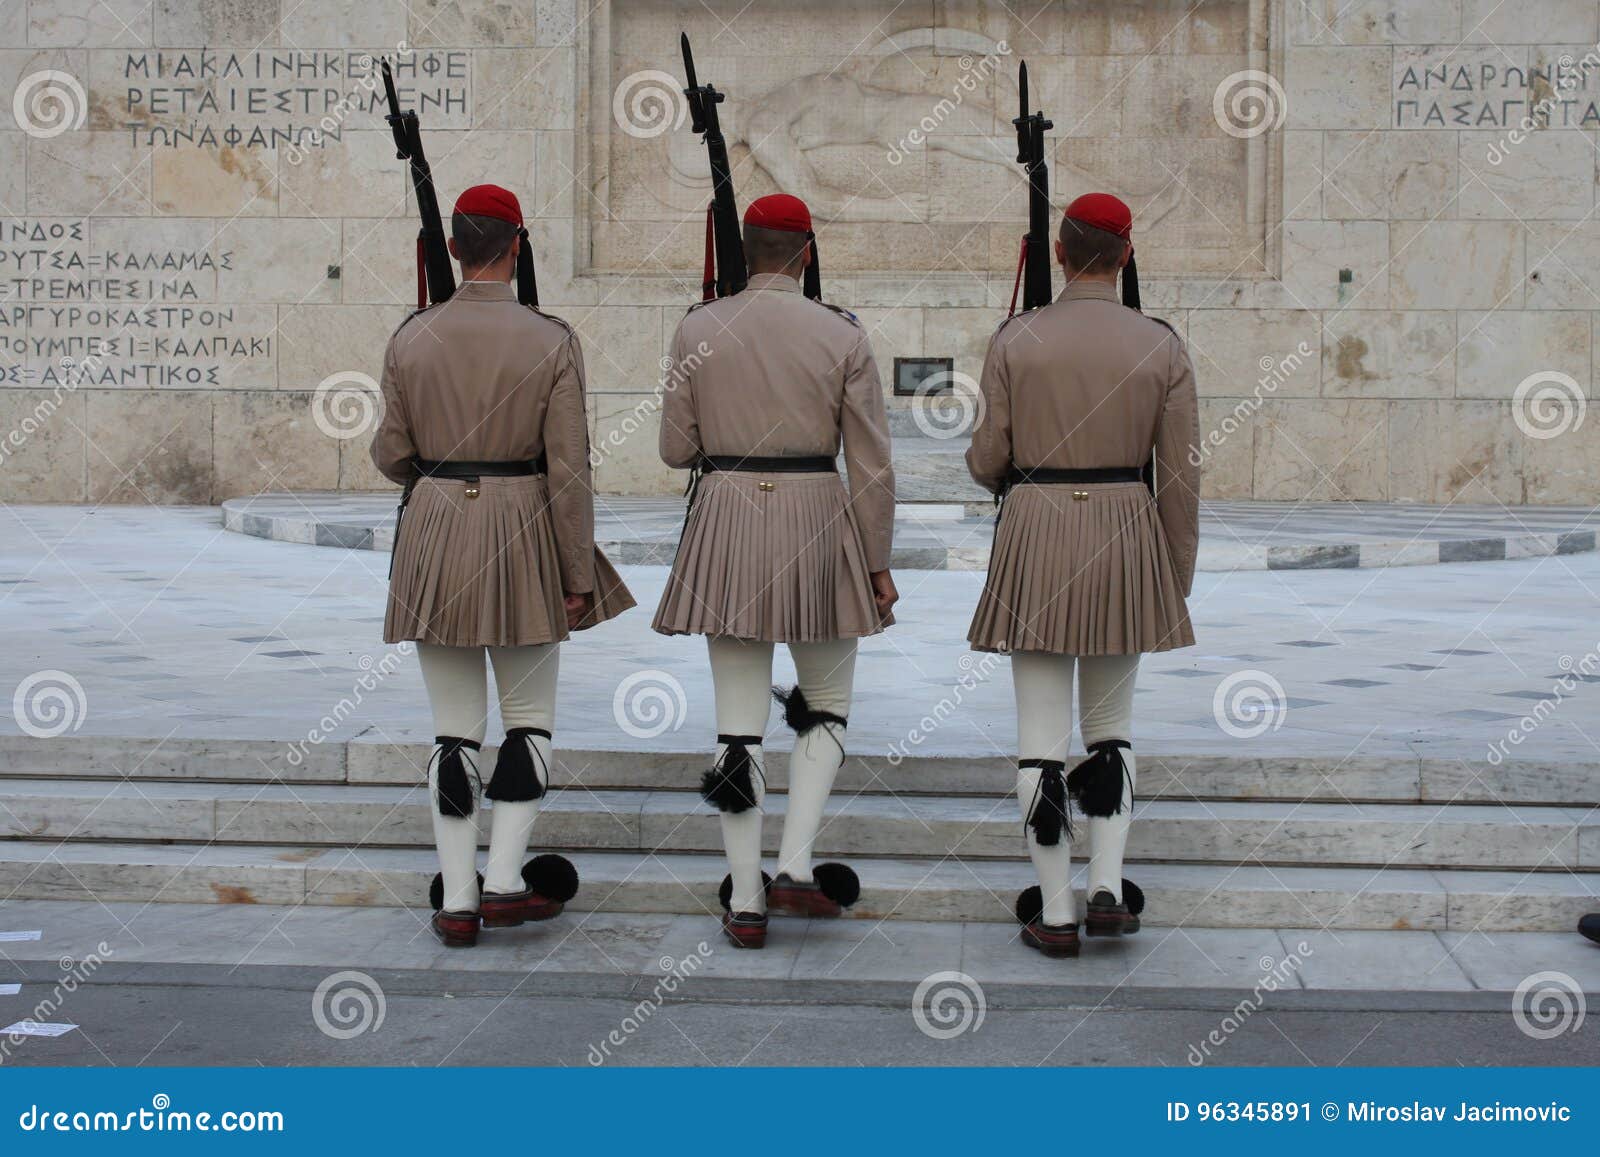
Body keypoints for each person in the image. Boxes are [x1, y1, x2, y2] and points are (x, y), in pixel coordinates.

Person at [372, 183, 635, 948]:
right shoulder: (550, 339)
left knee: (453, 734)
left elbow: (391, 454)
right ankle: (507, 883)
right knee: (528, 723)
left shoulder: (411, 336)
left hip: (436, 530)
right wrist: (577, 572)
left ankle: (456, 901)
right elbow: (570, 469)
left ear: (453, 248)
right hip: (523, 528)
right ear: (517, 246)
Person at [654, 193, 898, 950]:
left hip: (726, 516)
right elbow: (872, 463)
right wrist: (878, 562)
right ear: (805, 253)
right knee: (824, 704)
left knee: (738, 724)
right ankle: (793, 865)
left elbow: (672, 446)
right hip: (819, 517)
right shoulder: (841, 333)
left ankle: (748, 899)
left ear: (746, 250)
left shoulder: (698, 326)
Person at [966, 192, 1199, 959]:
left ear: (1058, 255)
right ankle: (1107, 886)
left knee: (1040, 739)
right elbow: (1182, 476)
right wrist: (1175, 574)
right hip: (1127, 534)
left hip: (1036, 530)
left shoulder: (1016, 338)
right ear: (1126, 255)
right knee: (1112, 730)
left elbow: (988, 459)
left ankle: (1056, 911)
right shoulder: (1161, 345)